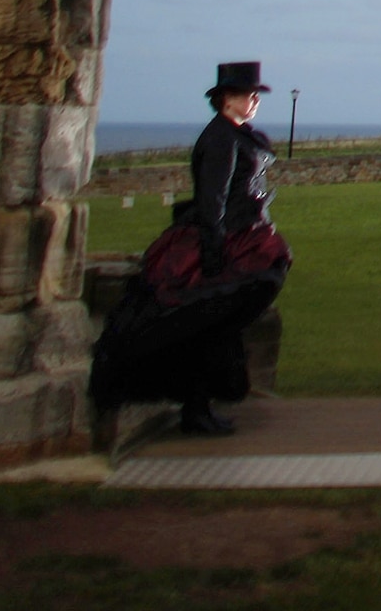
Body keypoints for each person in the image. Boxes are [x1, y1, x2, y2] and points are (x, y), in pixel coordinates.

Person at [86, 61, 293, 437]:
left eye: (255, 96)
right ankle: (195, 408)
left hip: (241, 237)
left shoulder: (236, 136)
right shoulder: (220, 139)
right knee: (202, 325)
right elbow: (212, 200)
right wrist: (215, 251)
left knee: (215, 327)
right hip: (223, 240)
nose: (254, 102)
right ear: (227, 99)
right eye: (249, 95)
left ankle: (202, 404)